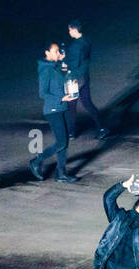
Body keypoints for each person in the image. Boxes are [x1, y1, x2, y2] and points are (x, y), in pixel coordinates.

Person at [29, 43, 79, 183]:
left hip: (62, 108)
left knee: (64, 142)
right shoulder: (45, 70)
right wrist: (61, 98)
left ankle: (61, 174)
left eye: (58, 51)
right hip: (52, 110)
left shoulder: (55, 66)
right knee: (61, 142)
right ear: (47, 53)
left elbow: (66, 75)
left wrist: (70, 81)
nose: (58, 53)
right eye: (55, 51)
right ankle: (37, 161)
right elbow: (42, 93)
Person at [63, 20, 110, 140]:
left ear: (74, 30)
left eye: (69, 30)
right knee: (87, 103)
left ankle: (71, 132)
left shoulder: (75, 46)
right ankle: (102, 128)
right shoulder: (86, 41)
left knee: (71, 105)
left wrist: (65, 63)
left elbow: (74, 64)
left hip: (75, 78)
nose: (69, 32)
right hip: (84, 76)